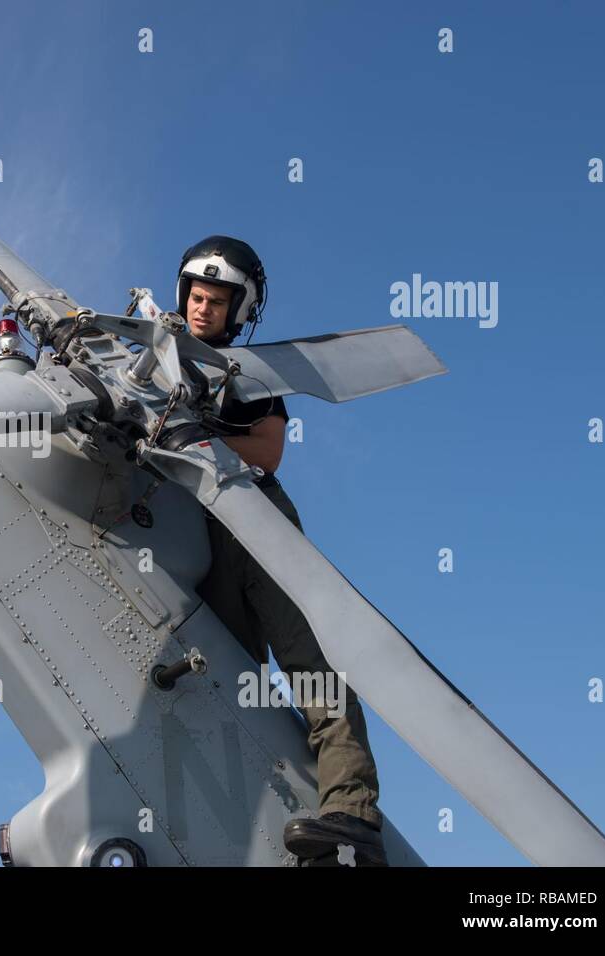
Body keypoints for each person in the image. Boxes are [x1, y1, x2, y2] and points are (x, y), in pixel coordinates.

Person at [177, 235, 387, 866]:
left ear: (239, 311)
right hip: (192, 531)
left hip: (255, 517)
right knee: (220, 686)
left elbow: (266, 452)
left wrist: (190, 428)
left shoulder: (251, 377)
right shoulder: (156, 365)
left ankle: (351, 813)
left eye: (216, 300)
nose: (202, 308)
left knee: (310, 667)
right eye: (196, 294)